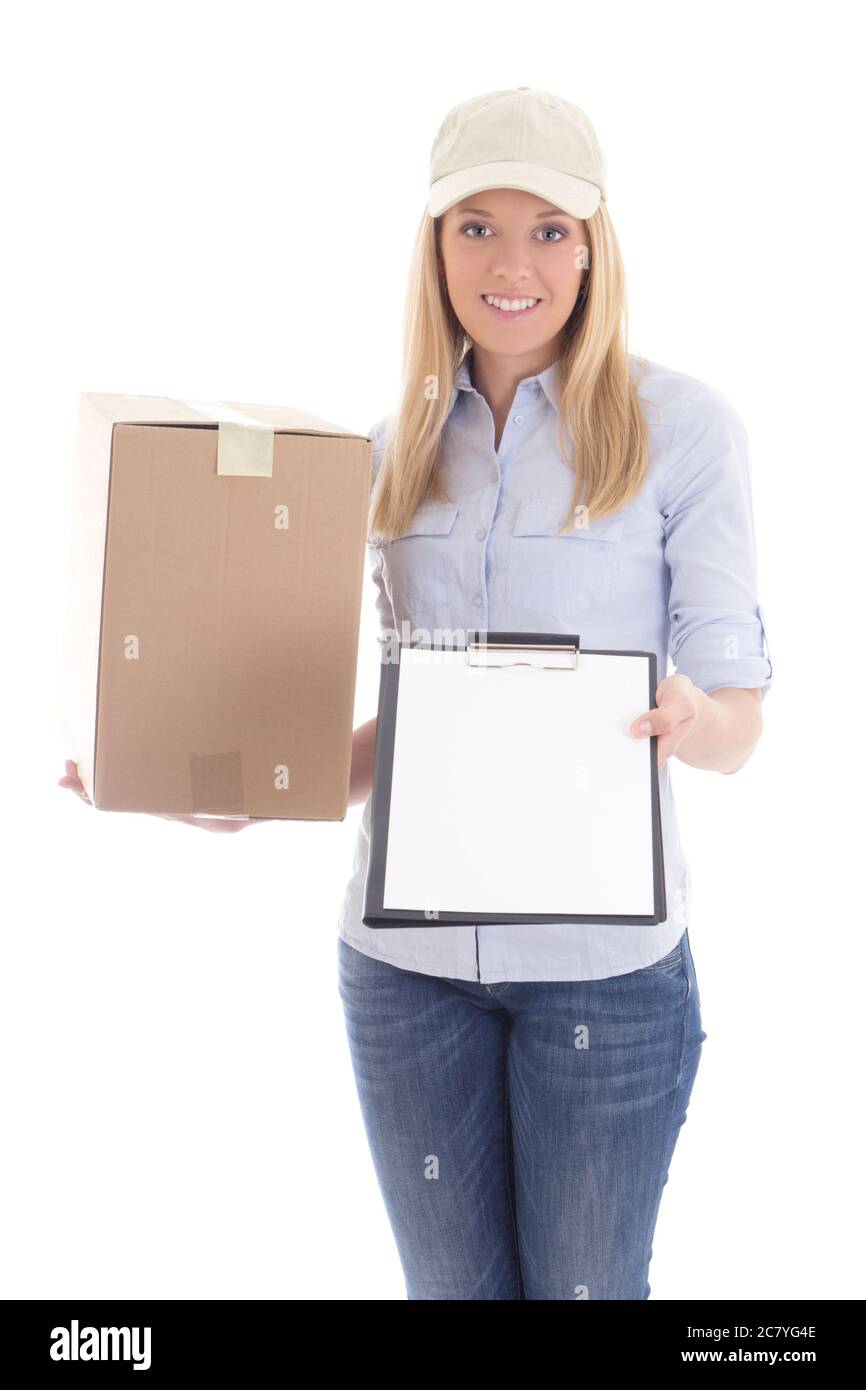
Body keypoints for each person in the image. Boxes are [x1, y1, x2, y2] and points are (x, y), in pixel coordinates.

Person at [334, 88, 772, 1299]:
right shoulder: (387, 448)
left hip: (603, 972)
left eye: (547, 227)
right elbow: (405, 733)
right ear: (432, 247)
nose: (510, 262)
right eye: (474, 226)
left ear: (594, 244)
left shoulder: (680, 430)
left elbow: (736, 718)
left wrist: (695, 718)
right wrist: (227, 779)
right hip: (405, 973)